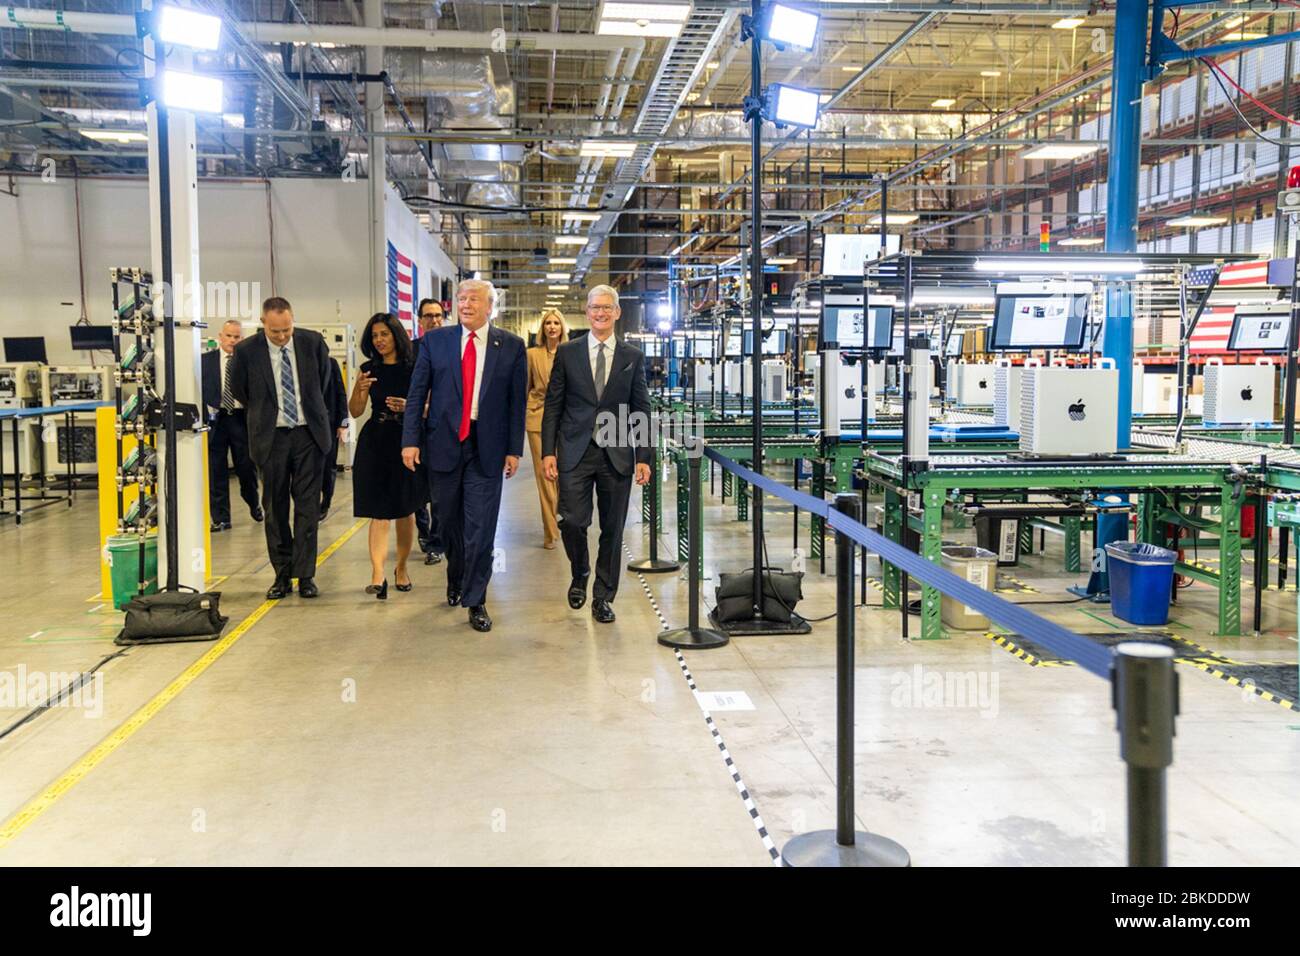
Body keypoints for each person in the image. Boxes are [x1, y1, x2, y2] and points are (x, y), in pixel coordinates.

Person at [401, 279, 527, 633]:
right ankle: (455, 576)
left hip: (486, 448)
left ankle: (477, 599)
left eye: (474, 299)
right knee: (448, 523)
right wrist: (409, 440)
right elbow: (416, 395)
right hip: (442, 445)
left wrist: (514, 449)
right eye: (461, 299)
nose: (466, 304)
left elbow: (516, 403)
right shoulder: (435, 342)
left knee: (481, 528)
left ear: (490, 307)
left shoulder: (511, 346)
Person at [541, 285, 652, 625]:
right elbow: (553, 405)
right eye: (594, 307)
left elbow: (641, 407)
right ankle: (580, 571)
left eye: (607, 307)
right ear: (587, 313)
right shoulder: (568, 353)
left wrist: (644, 456)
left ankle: (603, 597)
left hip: (617, 452)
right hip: (574, 450)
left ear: (617, 313)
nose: (600, 313)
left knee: (612, 530)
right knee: (572, 520)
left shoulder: (632, 356)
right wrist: (548, 451)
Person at [229, 296, 334, 600]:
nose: (282, 336)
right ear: (264, 324)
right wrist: (265, 414)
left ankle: (306, 575)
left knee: (307, 508)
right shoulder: (247, 351)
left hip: (308, 436)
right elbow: (240, 389)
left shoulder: (312, 343)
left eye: (287, 329)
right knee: (275, 509)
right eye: (276, 331)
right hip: (271, 438)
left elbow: (323, 384)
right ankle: (281, 575)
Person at [350, 313, 421, 599]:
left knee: (405, 511)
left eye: (384, 334)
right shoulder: (368, 369)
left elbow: (427, 406)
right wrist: (359, 389)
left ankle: (401, 567)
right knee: (378, 513)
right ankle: (377, 574)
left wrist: (408, 407)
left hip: (406, 441)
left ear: (396, 336)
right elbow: (355, 411)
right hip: (375, 441)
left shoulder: (414, 367)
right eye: (375, 336)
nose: (379, 340)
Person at [201, 319, 263, 532]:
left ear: (242, 339)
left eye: (237, 337)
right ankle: (221, 518)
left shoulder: (249, 361)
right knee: (216, 471)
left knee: (246, 468)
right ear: (220, 336)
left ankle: (254, 503)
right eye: (229, 336)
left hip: (240, 419)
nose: (232, 340)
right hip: (216, 420)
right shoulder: (204, 361)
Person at [525, 308, 568, 549]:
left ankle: (563, 520)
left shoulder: (571, 353)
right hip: (536, 418)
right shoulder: (531, 355)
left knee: (563, 474)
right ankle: (550, 531)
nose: (552, 327)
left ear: (562, 328)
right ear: (542, 329)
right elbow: (525, 387)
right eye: (548, 323)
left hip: (565, 420)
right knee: (545, 476)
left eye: (556, 323)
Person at [413, 298, 445, 565]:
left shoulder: (451, 346)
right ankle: (423, 530)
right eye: (428, 316)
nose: (434, 320)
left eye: (438, 315)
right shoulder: (410, 350)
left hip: (441, 430)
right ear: (419, 320)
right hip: (413, 429)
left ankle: (436, 541)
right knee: (416, 488)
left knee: (438, 489)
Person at [319, 356, 349, 522]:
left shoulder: (330, 363)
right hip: (308, 426)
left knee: (328, 465)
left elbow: (341, 393)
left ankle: (326, 501)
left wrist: (343, 424)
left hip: (330, 425)